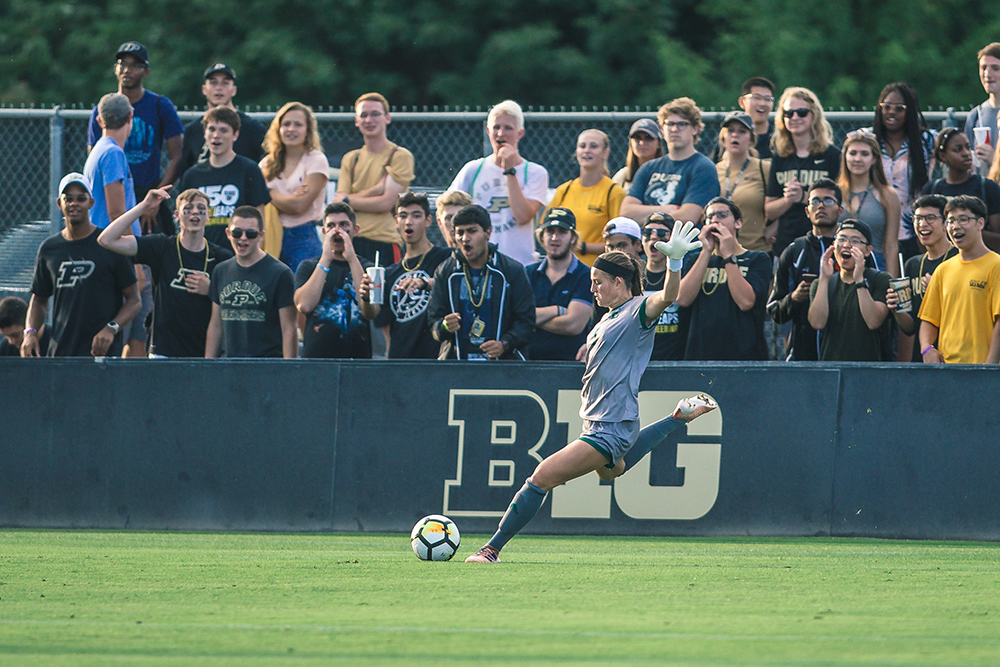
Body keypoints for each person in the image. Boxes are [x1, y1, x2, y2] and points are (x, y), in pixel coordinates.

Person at [464, 221, 712, 563]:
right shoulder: (607, 318)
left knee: (540, 478)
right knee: (612, 471)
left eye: (598, 282)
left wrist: (675, 262)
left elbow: (668, 296)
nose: (592, 288)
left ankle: (491, 549)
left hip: (611, 426)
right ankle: (676, 418)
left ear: (618, 282)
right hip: (601, 423)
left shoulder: (637, 310)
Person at [98, 187, 234, 358]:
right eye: (188, 209)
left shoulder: (221, 257)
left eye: (201, 209)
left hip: (203, 350)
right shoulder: (162, 246)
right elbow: (107, 239)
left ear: (208, 215)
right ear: (176, 215)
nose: (195, 213)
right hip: (163, 350)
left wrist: (212, 290)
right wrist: (143, 207)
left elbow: (235, 303)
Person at [22, 173, 140, 358]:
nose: (74, 204)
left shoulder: (108, 244)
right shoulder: (49, 249)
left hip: (102, 354)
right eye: (68, 199)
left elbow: (134, 300)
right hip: (61, 352)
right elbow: (39, 300)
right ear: (59, 204)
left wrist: (111, 328)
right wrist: (30, 333)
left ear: (91, 203)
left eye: (81, 198)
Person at [87, 41, 184, 235]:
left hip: (147, 191)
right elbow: (95, 158)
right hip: (114, 191)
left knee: (156, 249)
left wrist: (156, 198)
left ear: (146, 71)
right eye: (122, 64)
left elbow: (178, 155)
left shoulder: (160, 105)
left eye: (135, 65)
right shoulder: (103, 110)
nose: (127, 70)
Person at [84, 91, 151, 358]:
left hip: (104, 252)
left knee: (133, 334)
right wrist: (135, 262)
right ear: (131, 117)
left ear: (100, 120)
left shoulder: (98, 150)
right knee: (132, 332)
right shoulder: (112, 153)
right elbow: (116, 212)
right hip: (117, 253)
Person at [448, 100, 549, 267]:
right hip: (479, 265)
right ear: (488, 131)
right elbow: (447, 209)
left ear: (520, 133)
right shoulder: (473, 169)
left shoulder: (535, 172)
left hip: (519, 265)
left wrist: (509, 171)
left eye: (508, 128)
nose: (501, 134)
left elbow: (522, 216)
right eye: (496, 127)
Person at [427, 205, 535, 360]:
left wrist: (504, 344)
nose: (465, 238)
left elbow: (526, 323)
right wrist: (444, 326)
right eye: (460, 233)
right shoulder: (446, 272)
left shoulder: (512, 271)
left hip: (502, 366)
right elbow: (433, 323)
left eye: (472, 231)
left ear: (487, 233)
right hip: (458, 364)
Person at [676, 197, 772, 360]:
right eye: (709, 217)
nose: (714, 220)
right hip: (700, 355)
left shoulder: (757, 259)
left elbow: (746, 302)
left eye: (722, 215)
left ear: (738, 223)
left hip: (744, 356)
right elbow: (682, 299)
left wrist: (728, 255)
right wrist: (706, 251)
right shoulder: (696, 260)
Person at [333, 92, 416, 264]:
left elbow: (386, 203)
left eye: (375, 114)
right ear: (356, 121)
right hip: (350, 240)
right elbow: (339, 204)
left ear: (387, 118)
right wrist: (374, 191)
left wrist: (348, 199)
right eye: (363, 115)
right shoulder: (351, 158)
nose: (369, 120)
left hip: (384, 240)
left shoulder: (399, 156)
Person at [206, 206, 297, 358]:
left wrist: (289, 368)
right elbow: (216, 325)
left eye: (251, 234)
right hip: (228, 364)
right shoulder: (220, 270)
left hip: (266, 365)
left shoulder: (281, 273)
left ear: (261, 236)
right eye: (237, 232)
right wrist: (208, 365)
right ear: (228, 233)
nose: (243, 238)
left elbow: (289, 328)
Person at [919, 195, 1000, 364]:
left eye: (963, 219)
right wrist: (926, 348)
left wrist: (989, 367)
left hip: (983, 369)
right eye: (950, 221)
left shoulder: (996, 265)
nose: (956, 226)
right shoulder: (943, 269)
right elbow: (929, 319)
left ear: (980, 223)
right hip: (948, 370)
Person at [767, 178, 843, 361]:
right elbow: (774, 310)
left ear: (840, 211)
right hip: (803, 354)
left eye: (828, 201)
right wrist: (794, 298)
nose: (821, 206)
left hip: (844, 352)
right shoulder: (794, 251)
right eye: (815, 201)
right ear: (807, 211)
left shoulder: (853, 249)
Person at [293, 202, 379, 359]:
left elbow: (371, 312)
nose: (337, 231)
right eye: (331, 226)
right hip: (317, 360)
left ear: (355, 230)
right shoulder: (309, 267)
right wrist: (326, 259)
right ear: (324, 231)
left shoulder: (369, 268)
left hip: (357, 359)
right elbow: (304, 305)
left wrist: (352, 259)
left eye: (343, 225)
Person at [176, 106, 271, 247]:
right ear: (204, 133)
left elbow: (259, 218)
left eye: (223, 130)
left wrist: (255, 253)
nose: (216, 135)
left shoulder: (249, 170)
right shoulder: (192, 175)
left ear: (235, 135)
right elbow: (184, 222)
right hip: (202, 252)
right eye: (211, 129)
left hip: (237, 251)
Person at [373, 193, 452, 359]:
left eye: (416, 216)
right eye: (403, 216)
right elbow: (377, 318)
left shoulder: (446, 258)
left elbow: (458, 285)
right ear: (396, 221)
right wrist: (366, 296)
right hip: (400, 363)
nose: (408, 222)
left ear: (428, 221)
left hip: (436, 361)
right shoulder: (390, 273)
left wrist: (427, 283)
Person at [765, 86, 840, 257]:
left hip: (823, 246)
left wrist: (803, 197)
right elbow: (769, 210)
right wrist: (788, 199)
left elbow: (839, 205)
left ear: (814, 115)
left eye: (802, 112)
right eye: (788, 113)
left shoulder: (832, 155)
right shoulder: (780, 157)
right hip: (785, 246)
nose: (795, 117)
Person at [864, 82, 935, 261]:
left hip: (914, 229)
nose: (892, 112)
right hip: (876, 227)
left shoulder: (926, 140)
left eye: (899, 108)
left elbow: (956, 148)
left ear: (910, 111)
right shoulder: (867, 140)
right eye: (886, 106)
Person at [620, 97, 720, 224]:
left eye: (682, 124)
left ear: (695, 129)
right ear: (662, 129)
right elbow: (626, 212)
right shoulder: (648, 168)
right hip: (648, 237)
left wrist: (645, 215)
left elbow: (687, 217)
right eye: (670, 124)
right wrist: (666, 210)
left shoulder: (703, 167)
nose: (674, 129)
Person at [259, 101, 330, 273]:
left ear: (308, 130)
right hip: (270, 236)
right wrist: (287, 198)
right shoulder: (266, 164)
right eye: (286, 124)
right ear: (278, 129)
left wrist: (268, 193)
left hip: (302, 238)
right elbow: (256, 200)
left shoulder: (316, 160)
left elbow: (299, 206)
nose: (291, 129)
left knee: (301, 287)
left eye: (298, 124)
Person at [808, 220, 892, 362]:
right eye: (841, 239)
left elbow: (873, 321)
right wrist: (824, 278)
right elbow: (817, 323)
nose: (847, 245)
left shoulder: (880, 280)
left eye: (855, 241)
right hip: (831, 368)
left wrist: (859, 279)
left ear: (868, 250)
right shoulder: (822, 284)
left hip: (870, 369)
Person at [888, 195, 957, 362]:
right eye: (918, 219)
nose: (922, 224)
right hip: (922, 357)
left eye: (930, 218)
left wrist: (939, 292)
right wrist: (897, 309)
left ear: (946, 223)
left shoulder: (959, 258)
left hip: (954, 354)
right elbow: (910, 327)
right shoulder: (913, 264)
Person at [547, 129, 626, 266]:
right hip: (563, 270)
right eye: (582, 146)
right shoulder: (564, 190)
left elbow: (620, 243)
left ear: (605, 153)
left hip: (596, 270)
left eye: (593, 146)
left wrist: (581, 246)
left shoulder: (614, 192)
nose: (587, 150)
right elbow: (545, 231)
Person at [526, 207, 594, 360]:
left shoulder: (586, 275)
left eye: (562, 232)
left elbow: (573, 325)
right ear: (541, 236)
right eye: (550, 231)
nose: (555, 237)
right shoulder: (528, 273)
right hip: (528, 363)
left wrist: (532, 319)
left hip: (570, 364)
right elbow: (516, 317)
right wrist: (558, 310)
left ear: (573, 238)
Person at [179, 63, 267, 175]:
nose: (219, 88)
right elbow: (184, 171)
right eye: (213, 82)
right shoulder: (192, 130)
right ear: (204, 89)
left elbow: (273, 159)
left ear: (234, 90)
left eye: (225, 83)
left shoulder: (253, 128)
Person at [922, 128, 1000, 251]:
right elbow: (923, 238)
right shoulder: (932, 190)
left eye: (968, 147)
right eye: (957, 149)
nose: (966, 153)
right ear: (942, 155)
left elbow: (997, 238)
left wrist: (969, 228)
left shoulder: (987, 187)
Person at [838, 130, 902, 276]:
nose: (857, 159)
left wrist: (891, 281)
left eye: (864, 154)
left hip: (875, 264)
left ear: (874, 159)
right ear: (845, 156)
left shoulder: (887, 195)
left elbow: (891, 245)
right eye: (852, 153)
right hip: (839, 264)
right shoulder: (834, 193)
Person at [715, 110, 773, 253]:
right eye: (730, 131)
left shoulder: (764, 168)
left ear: (752, 139)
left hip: (755, 250)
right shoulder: (713, 170)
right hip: (719, 251)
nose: (735, 135)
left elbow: (781, 204)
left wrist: (773, 229)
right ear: (723, 138)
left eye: (742, 131)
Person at [641, 212, 688, 361]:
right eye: (648, 232)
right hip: (638, 359)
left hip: (675, 360)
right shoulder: (633, 275)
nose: (654, 237)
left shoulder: (684, 274)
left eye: (661, 233)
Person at [710, 77, 776, 162]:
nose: (762, 103)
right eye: (757, 98)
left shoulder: (778, 140)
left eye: (767, 99)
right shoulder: (730, 140)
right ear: (742, 102)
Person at [964, 43, 1000, 177]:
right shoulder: (976, 115)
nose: (987, 74)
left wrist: (995, 160)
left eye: (995, 68)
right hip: (982, 187)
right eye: (983, 68)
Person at [611, 118, 664, 198]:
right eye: (637, 138)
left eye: (648, 138)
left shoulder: (668, 174)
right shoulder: (623, 175)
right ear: (630, 143)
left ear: (659, 144)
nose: (642, 143)